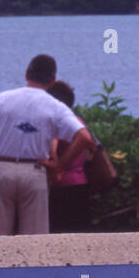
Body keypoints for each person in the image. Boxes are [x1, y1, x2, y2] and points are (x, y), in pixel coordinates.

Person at [0, 54, 94, 235]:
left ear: (26, 74)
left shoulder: (1, 99)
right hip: (34, 171)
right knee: (34, 240)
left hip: (1, 169)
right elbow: (84, 138)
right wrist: (59, 166)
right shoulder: (56, 106)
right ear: (53, 80)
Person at [45, 80, 91, 233]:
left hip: (61, 186)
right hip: (81, 182)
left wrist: (58, 166)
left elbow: (53, 144)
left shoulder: (58, 122)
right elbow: (92, 150)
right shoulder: (79, 121)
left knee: (59, 234)